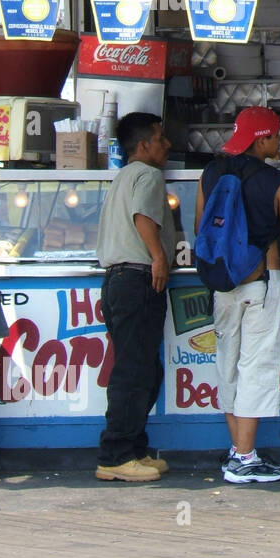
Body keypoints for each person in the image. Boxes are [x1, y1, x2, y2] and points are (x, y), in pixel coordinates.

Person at [195, 106, 280, 484]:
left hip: (224, 286)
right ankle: (244, 458)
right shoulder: (278, 181)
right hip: (260, 282)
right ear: (262, 138)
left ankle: (238, 451)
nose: (279, 141)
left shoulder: (210, 173)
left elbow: (200, 230)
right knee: (255, 367)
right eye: (275, 135)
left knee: (228, 363)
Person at [94, 112, 176, 482]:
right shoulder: (149, 174)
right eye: (161, 138)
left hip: (116, 281)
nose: (167, 144)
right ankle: (116, 456)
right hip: (136, 278)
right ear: (143, 145)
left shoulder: (121, 177)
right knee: (133, 369)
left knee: (142, 366)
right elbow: (143, 216)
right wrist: (159, 255)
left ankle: (134, 448)